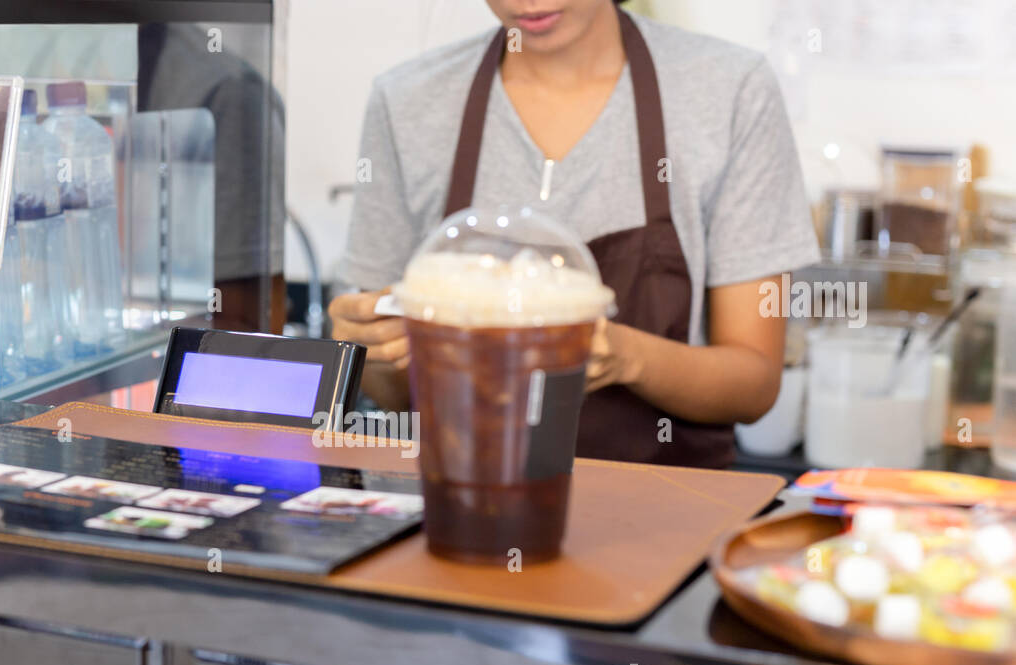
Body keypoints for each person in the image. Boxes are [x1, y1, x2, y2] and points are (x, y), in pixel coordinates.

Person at [330, 0, 819, 467]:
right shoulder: (408, 101)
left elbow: (753, 385)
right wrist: (373, 356)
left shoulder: (729, 90)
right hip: (464, 500)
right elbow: (399, 399)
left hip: (663, 523)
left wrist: (624, 357)